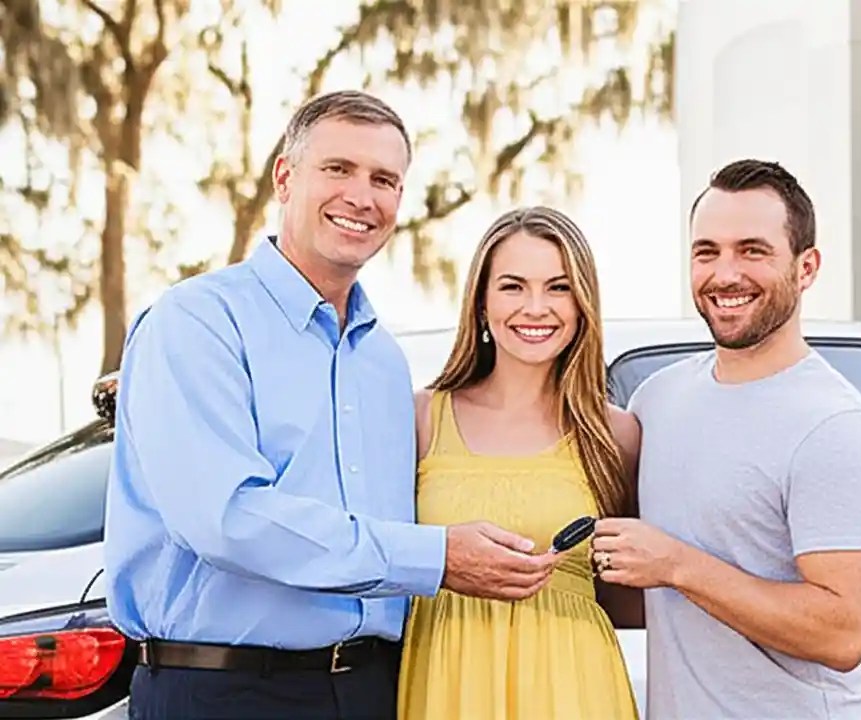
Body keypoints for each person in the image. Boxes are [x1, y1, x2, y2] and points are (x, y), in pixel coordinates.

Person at [104, 90, 560, 720]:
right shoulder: (198, 322)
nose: (361, 196)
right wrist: (438, 556)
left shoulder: (384, 363)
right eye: (338, 169)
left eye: (384, 180)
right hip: (224, 692)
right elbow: (226, 518)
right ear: (285, 178)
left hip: (372, 688)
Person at [590, 158, 861, 719]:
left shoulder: (834, 428)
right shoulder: (657, 401)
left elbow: (843, 634)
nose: (725, 273)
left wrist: (678, 565)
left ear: (807, 268)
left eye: (752, 251)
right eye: (707, 251)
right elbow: (648, 596)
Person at [397, 206, 643, 720]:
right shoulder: (420, 418)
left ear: (582, 305)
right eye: (513, 286)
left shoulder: (615, 433)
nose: (536, 307)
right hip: (446, 681)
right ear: (482, 304)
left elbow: (630, 600)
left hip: (572, 685)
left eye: (558, 287)